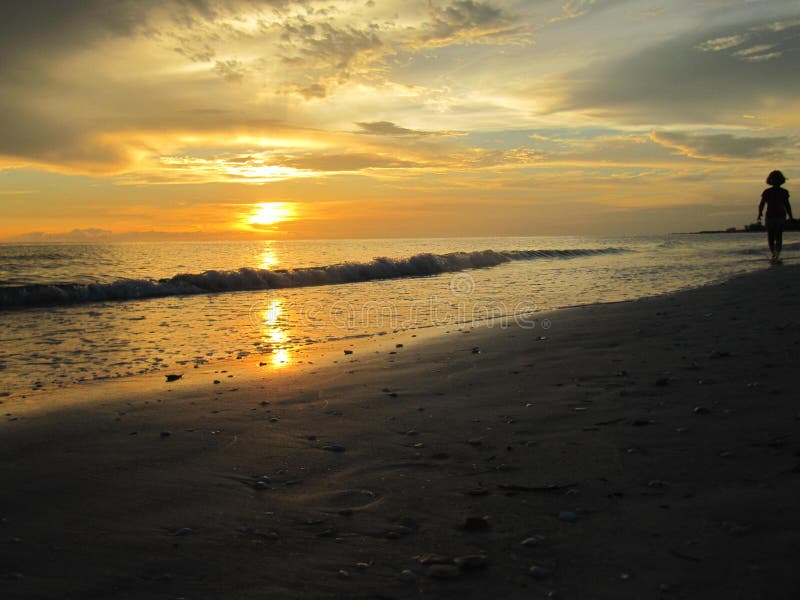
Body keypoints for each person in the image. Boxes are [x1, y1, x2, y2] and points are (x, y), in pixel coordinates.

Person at [758, 170, 793, 262]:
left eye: (777, 179)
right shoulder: (767, 192)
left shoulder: (784, 192)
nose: (775, 181)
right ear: (771, 180)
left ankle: (776, 255)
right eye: (774, 179)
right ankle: (774, 254)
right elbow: (762, 204)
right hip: (770, 216)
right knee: (771, 236)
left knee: (778, 236)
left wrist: (791, 216)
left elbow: (787, 205)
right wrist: (759, 213)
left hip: (780, 216)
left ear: (780, 180)